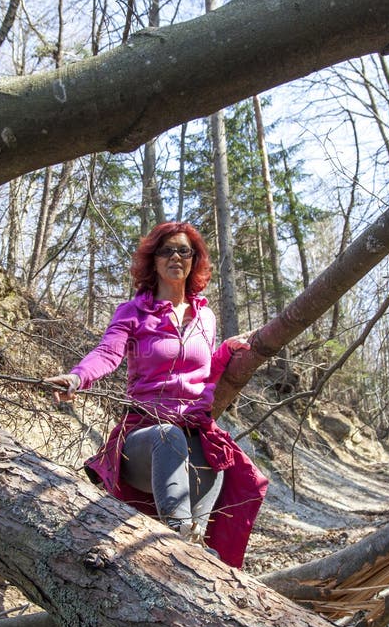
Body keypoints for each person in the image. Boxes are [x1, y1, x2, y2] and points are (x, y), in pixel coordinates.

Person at [45, 222, 268, 568]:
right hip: (145, 439)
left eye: (184, 251)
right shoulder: (133, 312)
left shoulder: (205, 317)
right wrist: (77, 378)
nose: (175, 257)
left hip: (195, 433)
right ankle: (179, 536)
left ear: (195, 260)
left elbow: (205, 371)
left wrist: (225, 351)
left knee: (219, 459)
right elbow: (107, 353)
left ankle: (194, 562)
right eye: (167, 250)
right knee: (169, 437)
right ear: (153, 260)